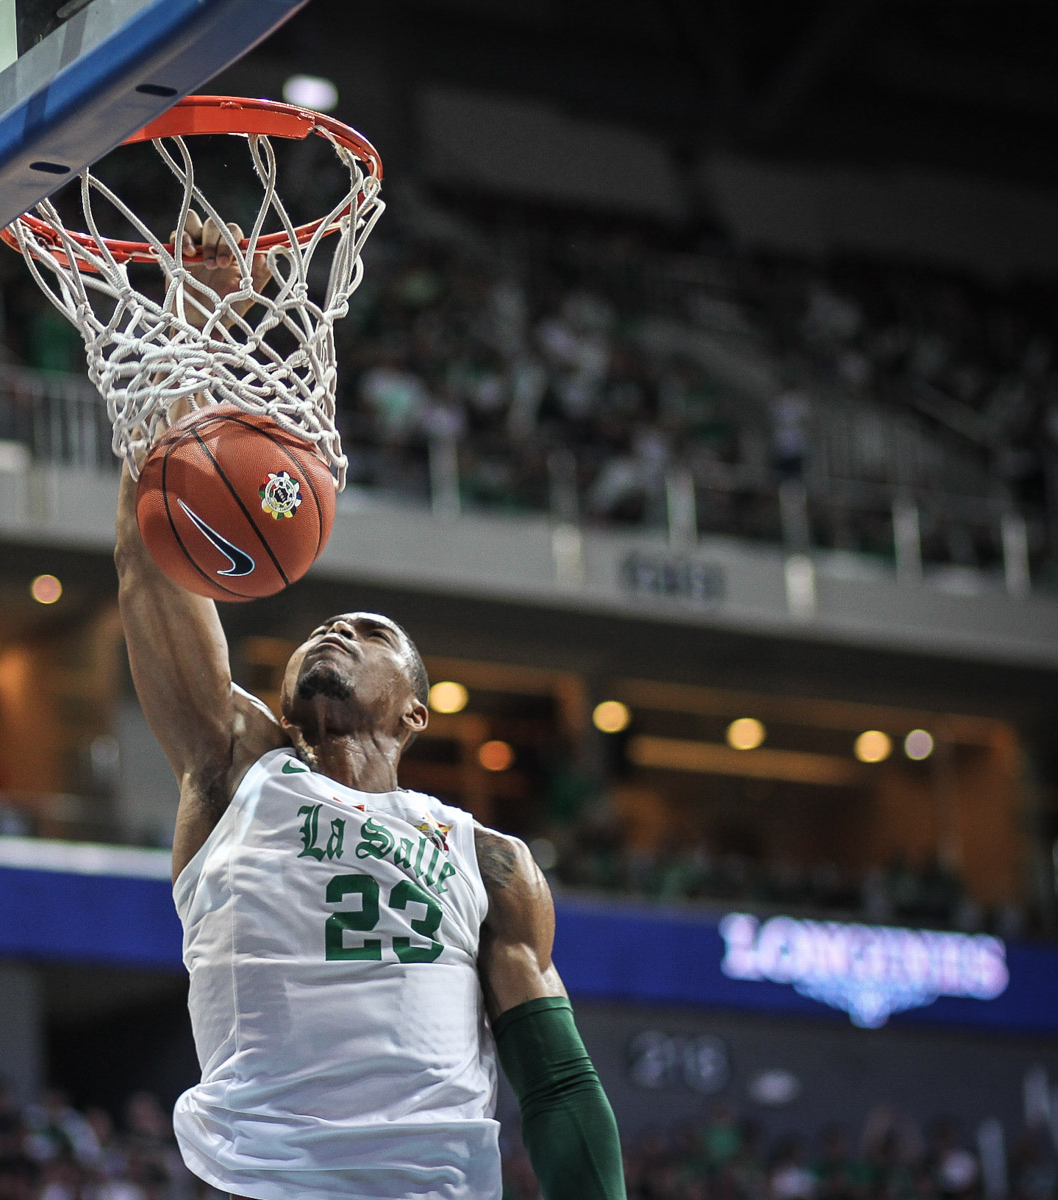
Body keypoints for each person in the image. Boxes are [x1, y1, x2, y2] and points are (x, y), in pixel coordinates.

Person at [113, 216, 628, 1199]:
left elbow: (554, 1078)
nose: (328, 634)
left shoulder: (488, 857)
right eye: (315, 630)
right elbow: (151, 556)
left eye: (365, 628)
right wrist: (194, 319)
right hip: (264, 1180)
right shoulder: (235, 768)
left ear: (416, 713)